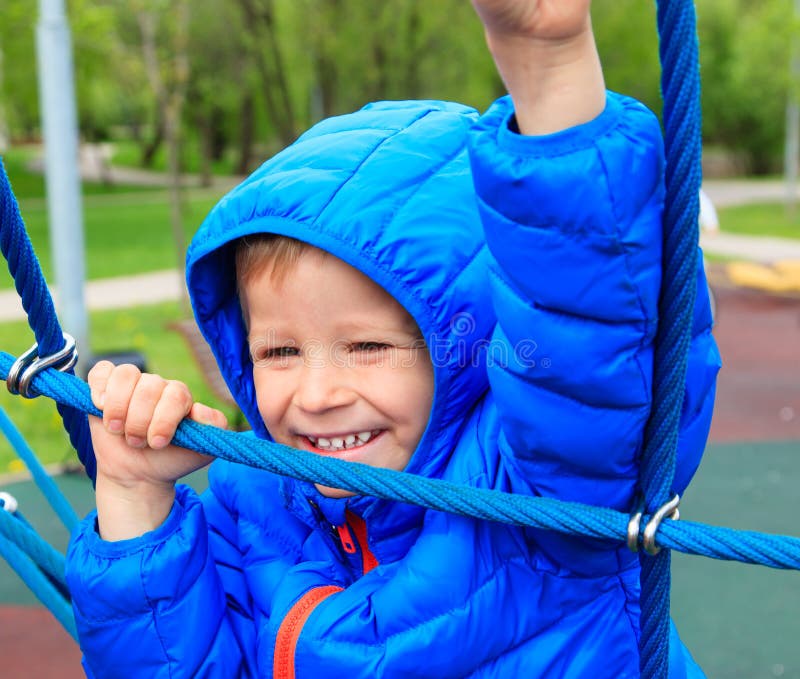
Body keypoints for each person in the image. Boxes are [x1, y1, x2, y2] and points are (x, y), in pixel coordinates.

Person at [66, 1, 721, 677]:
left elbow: (593, 337)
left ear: (464, 348)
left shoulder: (539, 491)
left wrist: (545, 60)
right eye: (280, 351)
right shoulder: (248, 499)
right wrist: (133, 501)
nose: (316, 395)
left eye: (368, 347)